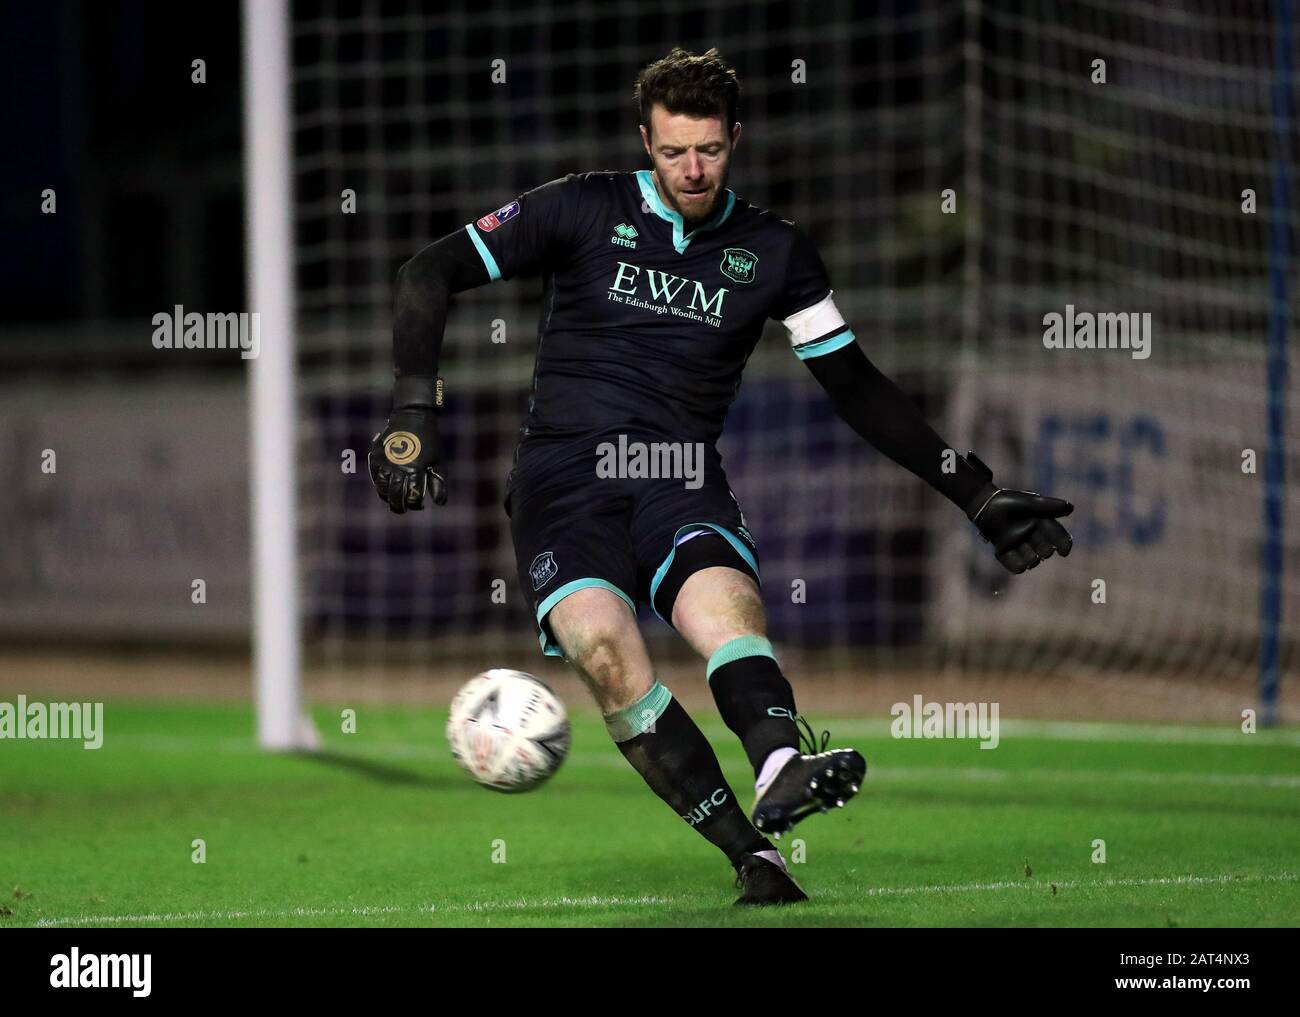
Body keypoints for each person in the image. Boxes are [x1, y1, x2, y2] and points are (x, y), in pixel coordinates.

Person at [368, 47, 1073, 905]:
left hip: (678, 475)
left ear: (735, 139)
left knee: (723, 611)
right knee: (602, 648)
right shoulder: (581, 206)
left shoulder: (774, 251)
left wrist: (978, 492)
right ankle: (755, 858)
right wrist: (415, 411)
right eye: (672, 152)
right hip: (562, 480)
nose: (691, 169)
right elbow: (426, 271)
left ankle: (783, 762)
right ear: (645, 141)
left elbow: (854, 384)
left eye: (708, 150)